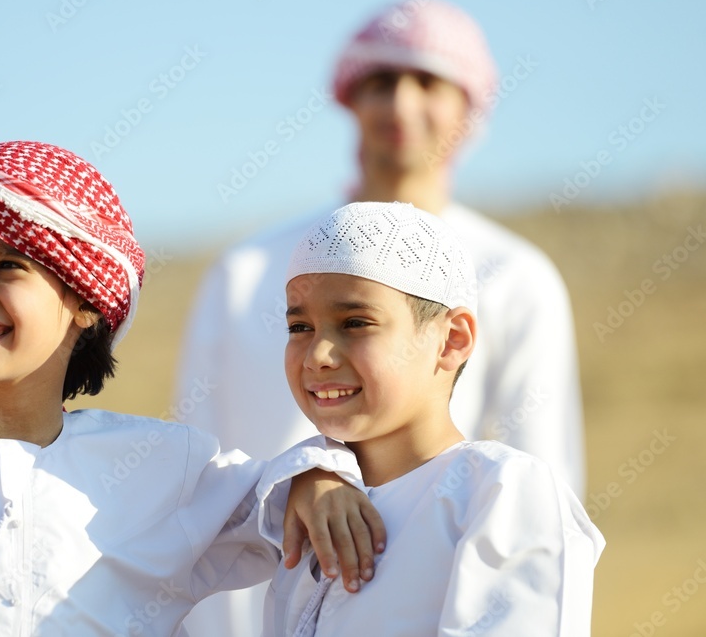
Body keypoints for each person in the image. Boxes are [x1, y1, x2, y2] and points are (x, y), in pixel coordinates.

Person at [0, 141, 383, 636]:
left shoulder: (166, 466)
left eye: (7, 265)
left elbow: (278, 496)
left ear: (84, 302)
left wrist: (317, 478)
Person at [178, 0, 586, 637]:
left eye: (428, 81)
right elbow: (201, 469)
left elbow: (541, 457)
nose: (400, 103)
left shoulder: (515, 276)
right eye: (380, 81)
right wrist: (303, 476)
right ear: (349, 99)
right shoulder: (248, 270)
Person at [257, 201, 604, 635]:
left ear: (451, 340)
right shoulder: (300, 500)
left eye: (356, 323)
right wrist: (308, 472)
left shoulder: (499, 491)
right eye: (299, 328)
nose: (318, 356)